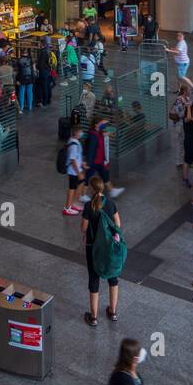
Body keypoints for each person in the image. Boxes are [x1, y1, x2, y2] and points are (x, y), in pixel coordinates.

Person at [80, 176, 121, 326]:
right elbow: (118, 224)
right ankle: (113, 312)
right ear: (102, 188)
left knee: (94, 278)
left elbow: (83, 228)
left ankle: (94, 317)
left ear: (91, 188)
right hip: (109, 247)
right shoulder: (110, 204)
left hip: (92, 247)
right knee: (113, 277)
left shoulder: (88, 206)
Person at [62, 125, 85, 216]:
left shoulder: (73, 141)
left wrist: (82, 164)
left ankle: (72, 205)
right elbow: (72, 159)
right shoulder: (74, 145)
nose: (81, 134)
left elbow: (77, 157)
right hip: (73, 171)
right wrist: (79, 173)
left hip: (75, 170)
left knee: (77, 186)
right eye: (80, 132)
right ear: (76, 133)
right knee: (72, 189)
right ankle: (67, 208)